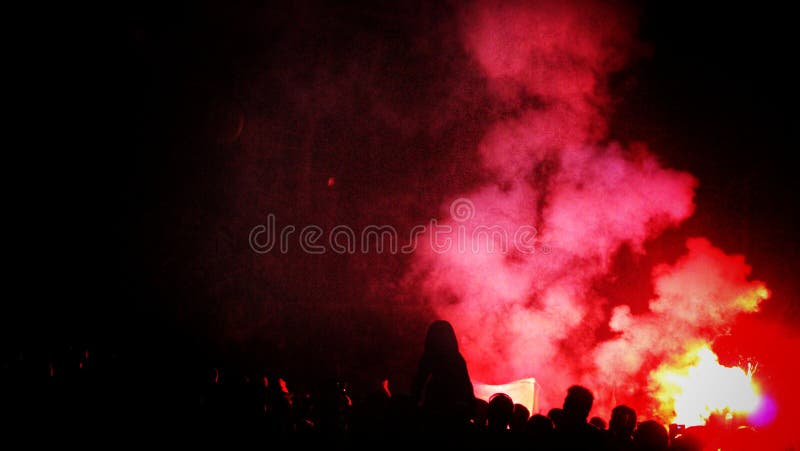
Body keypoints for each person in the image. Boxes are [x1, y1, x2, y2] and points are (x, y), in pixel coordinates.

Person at [412, 320, 475, 436]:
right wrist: (471, 406)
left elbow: (418, 383)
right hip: (455, 412)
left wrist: (414, 406)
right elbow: (466, 385)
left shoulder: (428, 358)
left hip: (434, 409)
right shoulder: (457, 359)